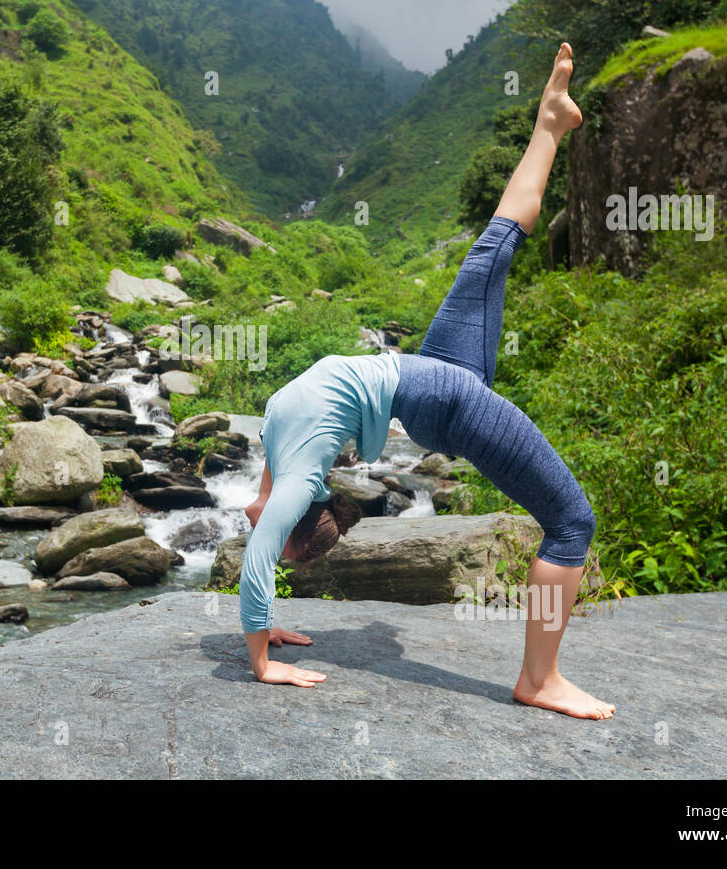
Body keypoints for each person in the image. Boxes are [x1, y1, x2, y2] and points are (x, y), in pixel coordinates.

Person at [241, 43, 616, 720]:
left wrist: (262, 642)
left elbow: (263, 547)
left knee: (495, 245)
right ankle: (539, 678)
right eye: (268, 529)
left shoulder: (276, 442)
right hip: (437, 398)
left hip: (434, 374)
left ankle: (550, 123)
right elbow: (261, 555)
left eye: (263, 526)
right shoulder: (292, 475)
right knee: (572, 520)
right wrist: (263, 658)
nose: (249, 522)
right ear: (294, 517)